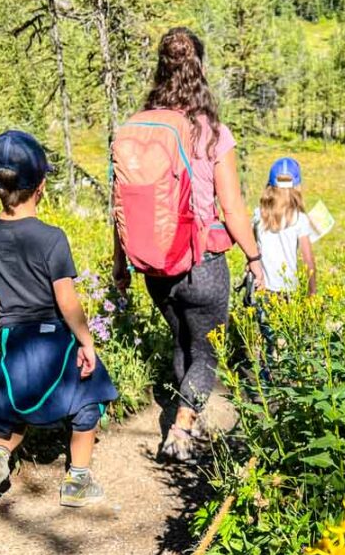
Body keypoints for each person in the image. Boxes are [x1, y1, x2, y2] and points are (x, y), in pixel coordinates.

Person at [113, 27, 263, 463]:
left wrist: (121, 265)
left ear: (160, 69)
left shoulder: (136, 129)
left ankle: (182, 412)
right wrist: (255, 259)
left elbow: (120, 205)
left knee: (182, 341)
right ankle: (181, 429)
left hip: (155, 267)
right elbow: (232, 208)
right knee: (204, 349)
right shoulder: (213, 132)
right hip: (203, 263)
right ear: (200, 69)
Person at [0, 129, 117, 513]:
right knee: (88, 397)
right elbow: (66, 299)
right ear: (41, 185)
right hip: (53, 338)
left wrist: (4, 323)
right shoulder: (52, 238)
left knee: (9, 408)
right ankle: (78, 480)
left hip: (12, 338)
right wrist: (86, 341)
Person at [253, 157, 316, 298]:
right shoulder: (299, 219)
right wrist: (312, 291)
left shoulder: (258, 214)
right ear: (296, 186)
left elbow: (253, 248)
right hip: (289, 290)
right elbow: (308, 259)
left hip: (261, 287)